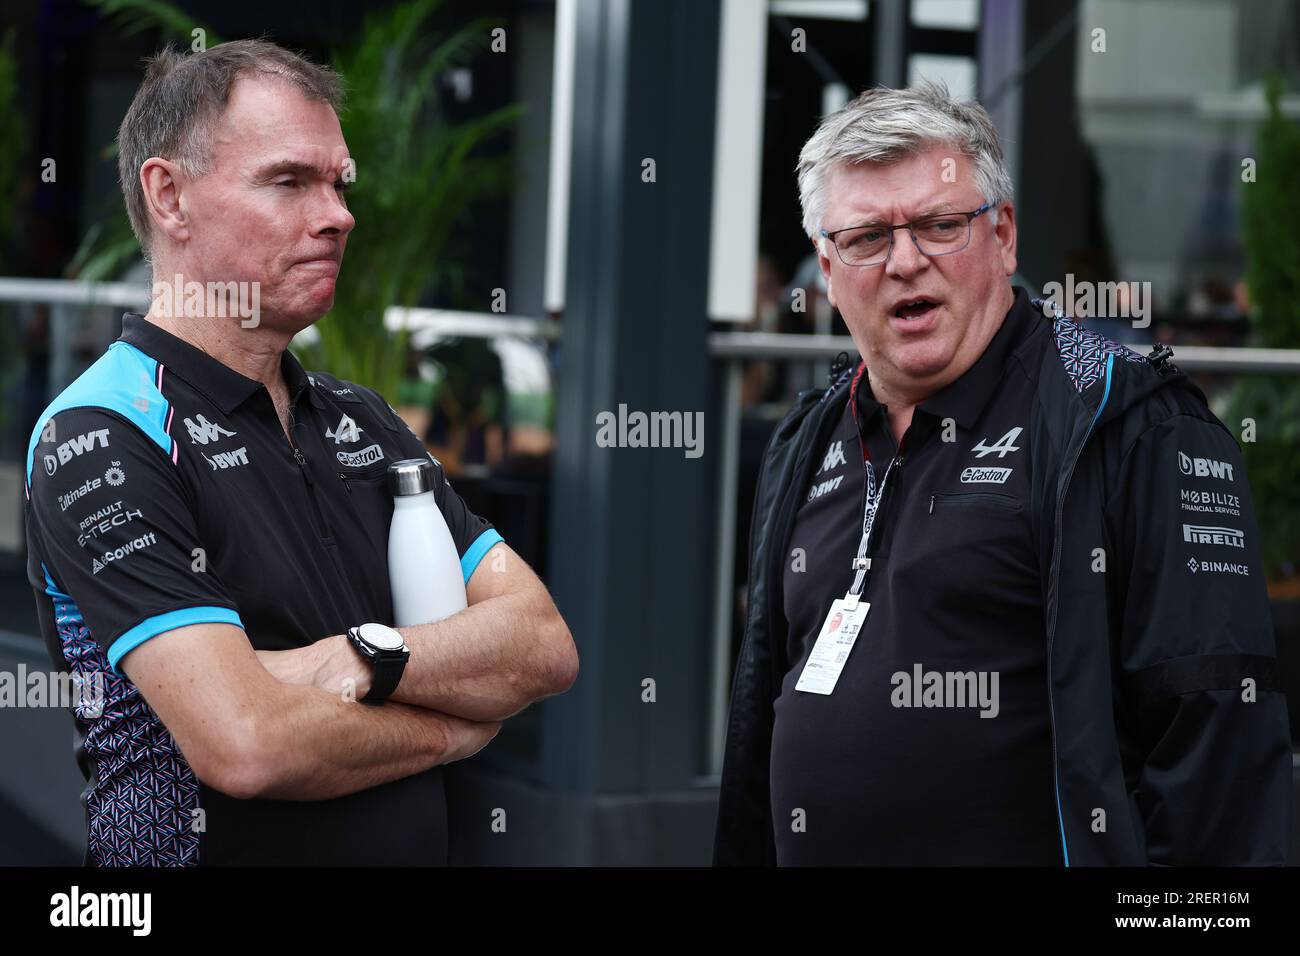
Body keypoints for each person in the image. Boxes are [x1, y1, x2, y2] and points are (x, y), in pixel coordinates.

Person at [23, 39, 578, 866]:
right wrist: (457, 723)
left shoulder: (361, 419)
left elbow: (541, 643)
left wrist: (353, 660)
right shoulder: (102, 433)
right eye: (289, 182)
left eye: (338, 183)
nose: (339, 214)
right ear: (169, 196)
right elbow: (247, 745)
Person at [714, 82, 1291, 866]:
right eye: (867, 238)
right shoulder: (806, 440)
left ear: (1005, 235)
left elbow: (1220, 761)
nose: (906, 261)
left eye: (941, 225)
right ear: (826, 266)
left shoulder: (1132, 423)